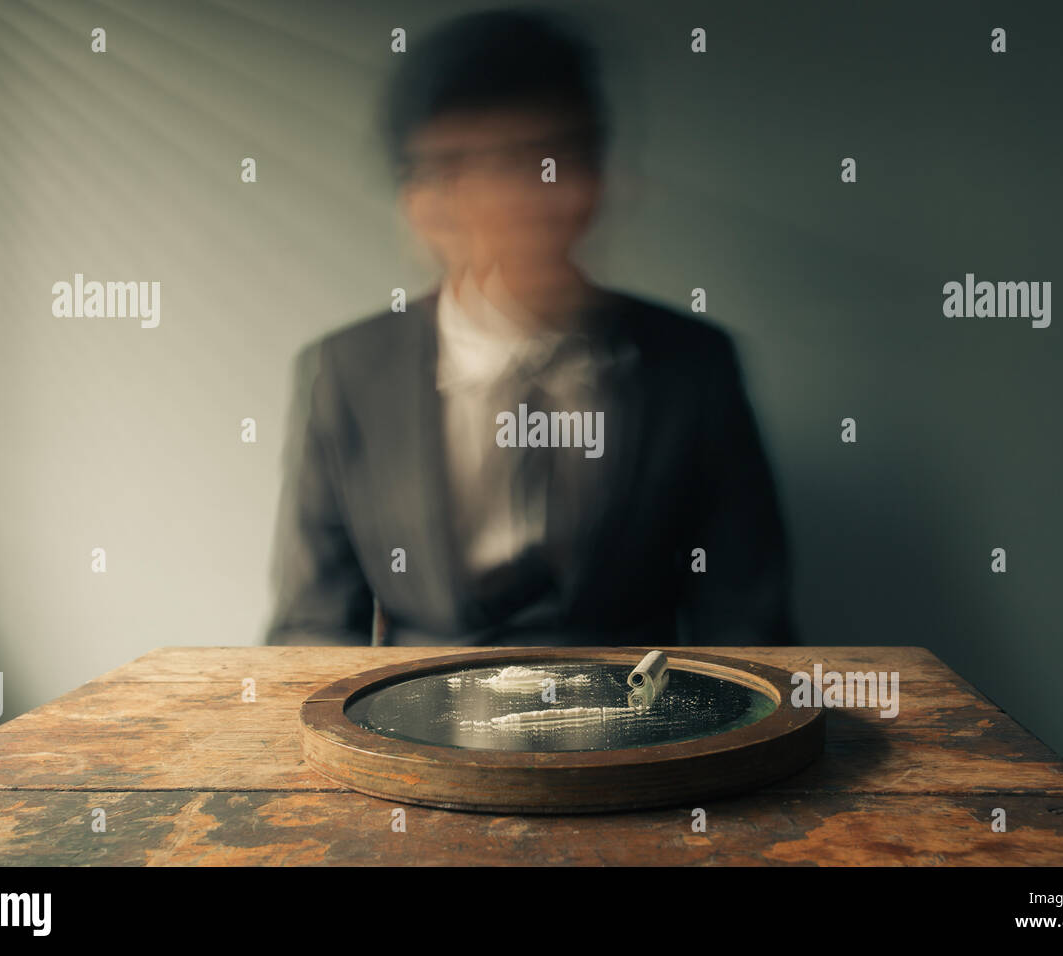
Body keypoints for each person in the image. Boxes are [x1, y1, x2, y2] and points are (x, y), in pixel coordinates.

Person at [266, 9, 795, 646]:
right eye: (484, 168)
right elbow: (313, 632)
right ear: (423, 204)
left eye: (553, 160)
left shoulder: (694, 365)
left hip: (641, 730)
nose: (529, 200)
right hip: (412, 728)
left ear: (596, 180)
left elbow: (750, 629)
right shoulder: (348, 371)